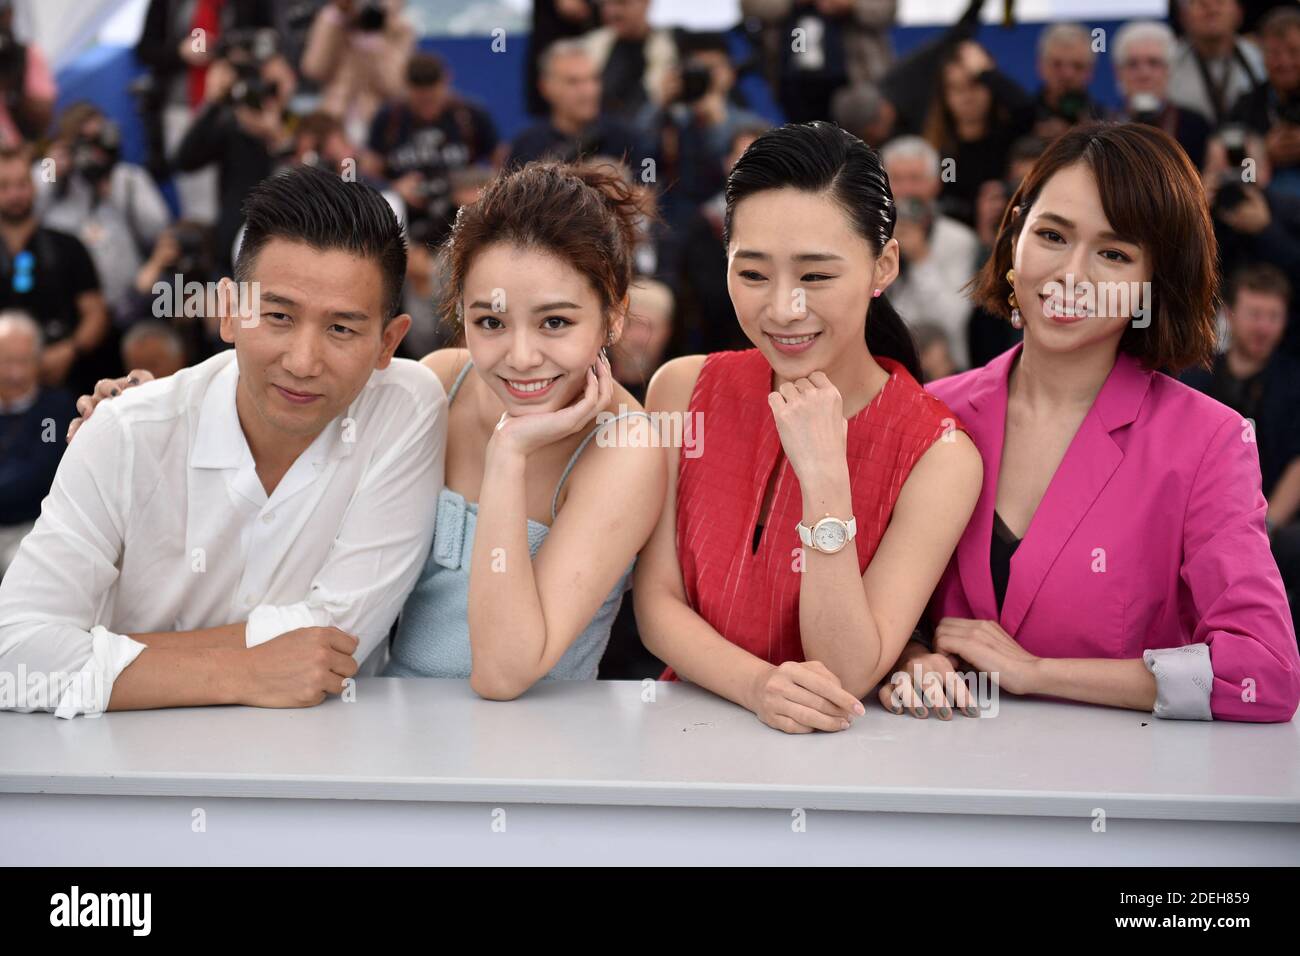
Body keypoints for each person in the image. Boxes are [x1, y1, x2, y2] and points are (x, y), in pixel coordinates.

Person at [888, 122, 1299, 724]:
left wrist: (1036, 673)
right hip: (946, 786)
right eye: (1052, 234)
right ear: (1015, 236)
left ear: (1151, 285)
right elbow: (878, 612)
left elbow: (1262, 673)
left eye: (1114, 253)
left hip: (1125, 798)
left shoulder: (1209, 441)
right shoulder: (928, 411)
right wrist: (912, 656)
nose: (1072, 274)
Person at [0, 165, 446, 717]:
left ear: (388, 342)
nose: (303, 362)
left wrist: (96, 655)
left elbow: (337, 639)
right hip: (126, 779)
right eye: (278, 315)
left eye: (341, 329)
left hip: (329, 773)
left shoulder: (405, 408)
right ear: (230, 311)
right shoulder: (124, 431)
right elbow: (15, 656)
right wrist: (243, 670)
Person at [633, 121, 983, 734]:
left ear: (883, 266)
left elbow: (845, 669)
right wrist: (756, 686)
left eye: (816, 276)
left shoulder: (940, 454)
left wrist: (825, 478)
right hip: (683, 738)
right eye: (753, 274)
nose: (782, 308)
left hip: (846, 771)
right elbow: (658, 605)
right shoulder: (681, 389)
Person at [385, 161, 664, 695]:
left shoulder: (623, 446)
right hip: (393, 730)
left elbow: (504, 671)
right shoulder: (441, 384)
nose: (520, 356)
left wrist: (509, 454)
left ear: (614, 316)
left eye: (555, 322)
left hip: (539, 755)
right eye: (490, 322)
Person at [0, 142, 110, 398]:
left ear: (34, 186)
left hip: (63, 381)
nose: (15, 194)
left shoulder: (68, 246)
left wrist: (69, 350)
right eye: (4, 186)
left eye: (22, 184)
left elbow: (95, 314)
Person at [0, 310, 72, 578]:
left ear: (39, 362)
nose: (14, 374)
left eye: (24, 362)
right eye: (6, 361)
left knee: (24, 570)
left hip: (30, 529)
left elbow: (42, 473)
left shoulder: (54, 411)